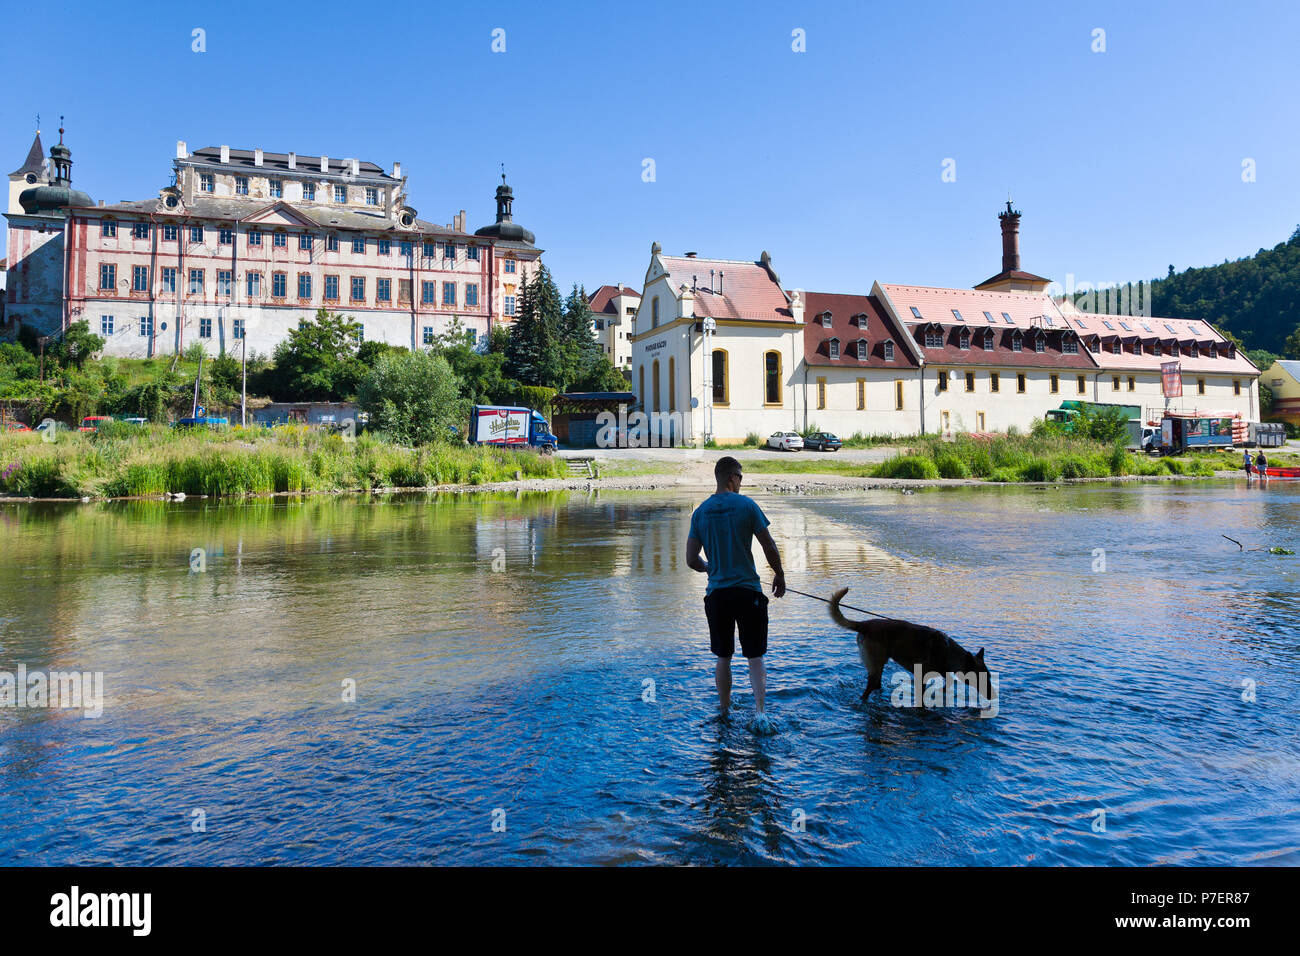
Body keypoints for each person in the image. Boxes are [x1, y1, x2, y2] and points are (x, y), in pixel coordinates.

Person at [685, 456, 785, 719]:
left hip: (717, 595)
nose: (742, 482)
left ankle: (725, 709)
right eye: (741, 477)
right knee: (755, 657)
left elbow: (691, 559)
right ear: (732, 477)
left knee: (723, 657)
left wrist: (710, 568)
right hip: (748, 592)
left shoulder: (701, 512)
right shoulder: (747, 505)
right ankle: (761, 712)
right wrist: (779, 574)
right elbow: (769, 545)